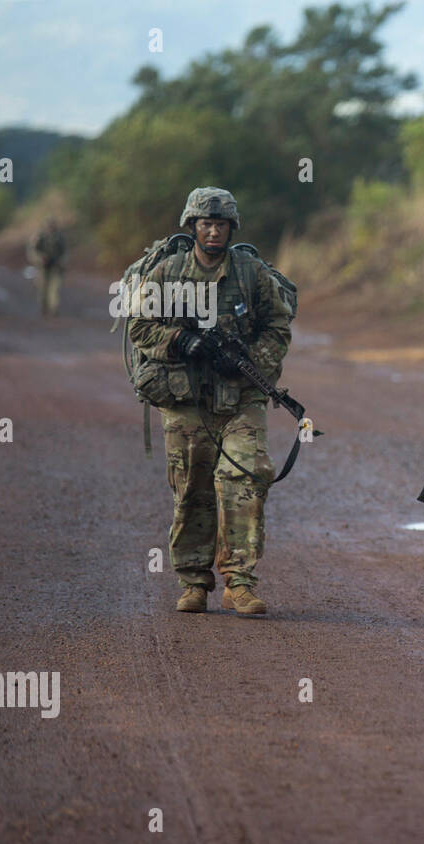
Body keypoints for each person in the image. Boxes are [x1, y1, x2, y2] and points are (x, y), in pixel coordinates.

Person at [127, 187, 293, 615]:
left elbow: (278, 326)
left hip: (240, 398)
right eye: (206, 223)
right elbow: (140, 328)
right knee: (192, 491)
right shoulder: (166, 274)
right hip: (185, 401)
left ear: (231, 227)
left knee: (245, 479)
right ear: (192, 226)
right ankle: (194, 582)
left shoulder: (252, 274)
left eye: (221, 224)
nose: (214, 231)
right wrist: (181, 340)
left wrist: (250, 363)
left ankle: (239, 582)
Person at [28, 219, 66, 317]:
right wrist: (40, 259)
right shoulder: (39, 237)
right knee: (43, 288)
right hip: (42, 267)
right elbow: (32, 251)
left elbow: (65, 252)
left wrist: (61, 262)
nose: (50, 228)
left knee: (54, 288)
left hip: (55, 266)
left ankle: (54, 309)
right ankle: (44, 308)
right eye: (49, 226)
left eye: (52, 226)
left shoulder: (59, 237)